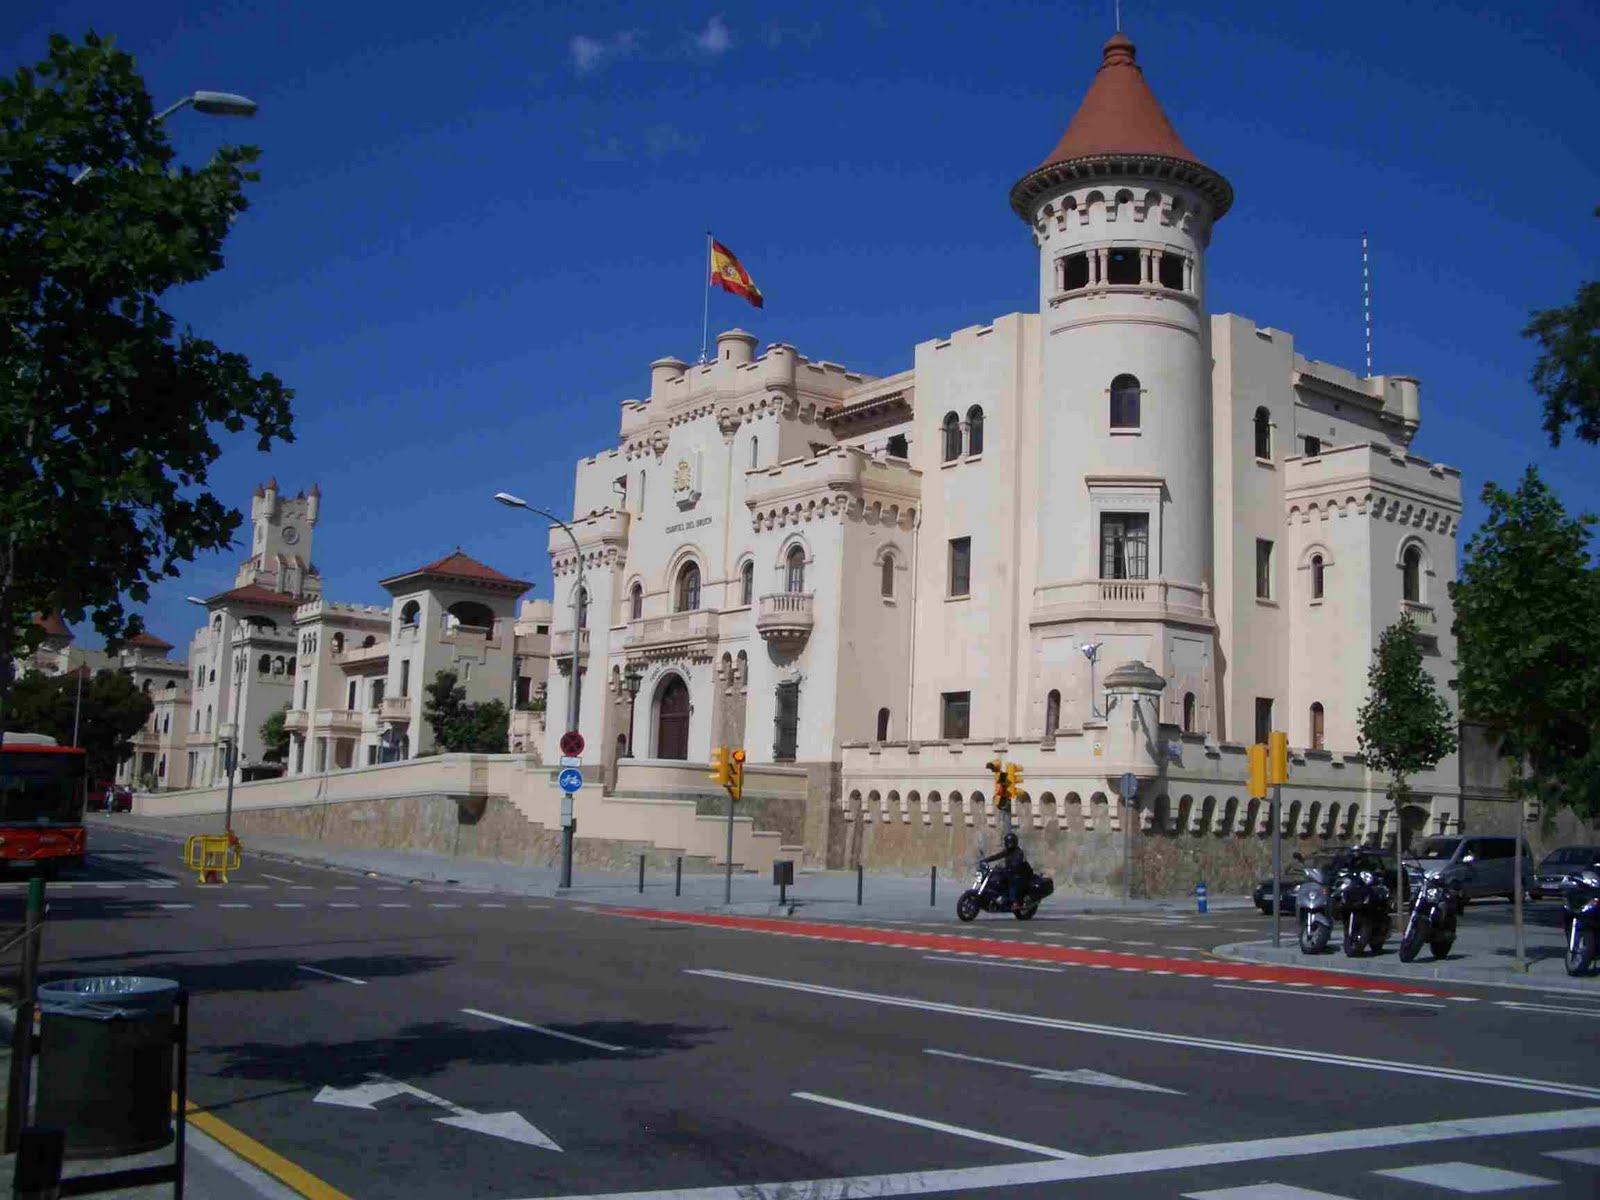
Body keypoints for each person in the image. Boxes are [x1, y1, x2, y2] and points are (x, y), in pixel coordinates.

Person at [982, 831, 1031, 911]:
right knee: (997, 878)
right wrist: (986, 860)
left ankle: (1015, 903)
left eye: (1011, 842)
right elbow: (997, 856)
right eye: (1008, 842)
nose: (1009, 844)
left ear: (1014, 842)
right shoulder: (1007, 851)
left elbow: (1017, 863)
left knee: (1013, 882)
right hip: (1009, 872)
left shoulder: (1019, 852)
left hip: (1020, 874)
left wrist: (1009, 867)